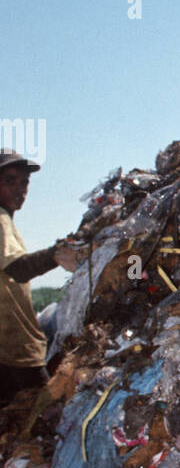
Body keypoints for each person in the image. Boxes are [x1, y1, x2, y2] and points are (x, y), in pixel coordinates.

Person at [0, 150, 80, 403]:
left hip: (9, 346)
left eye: (24, 183)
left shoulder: (7, 222)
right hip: (17, 347)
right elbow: (19, 269)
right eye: (10, 181)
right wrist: (56, 254)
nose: (20, 189)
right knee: (48, 413)